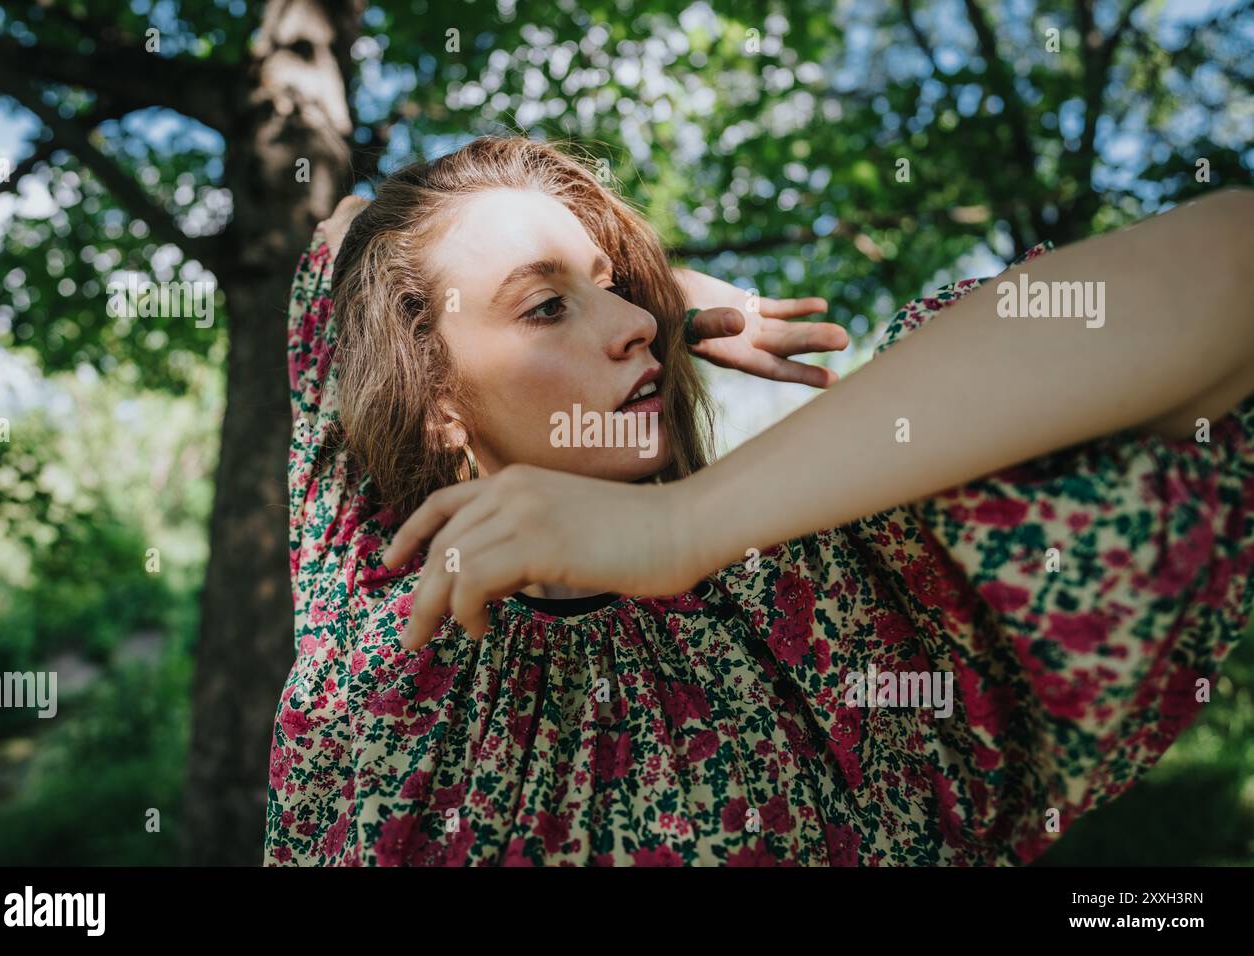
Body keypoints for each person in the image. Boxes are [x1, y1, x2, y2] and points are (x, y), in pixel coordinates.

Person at [265, 135, 1254, 866]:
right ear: (434, 399)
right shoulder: (370, 586)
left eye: (621, 291)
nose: (633, 326)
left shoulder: (810, 613)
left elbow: (1232, 264)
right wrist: (672, 287)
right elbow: (351, 234)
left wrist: (685, 524)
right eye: (547, 305)